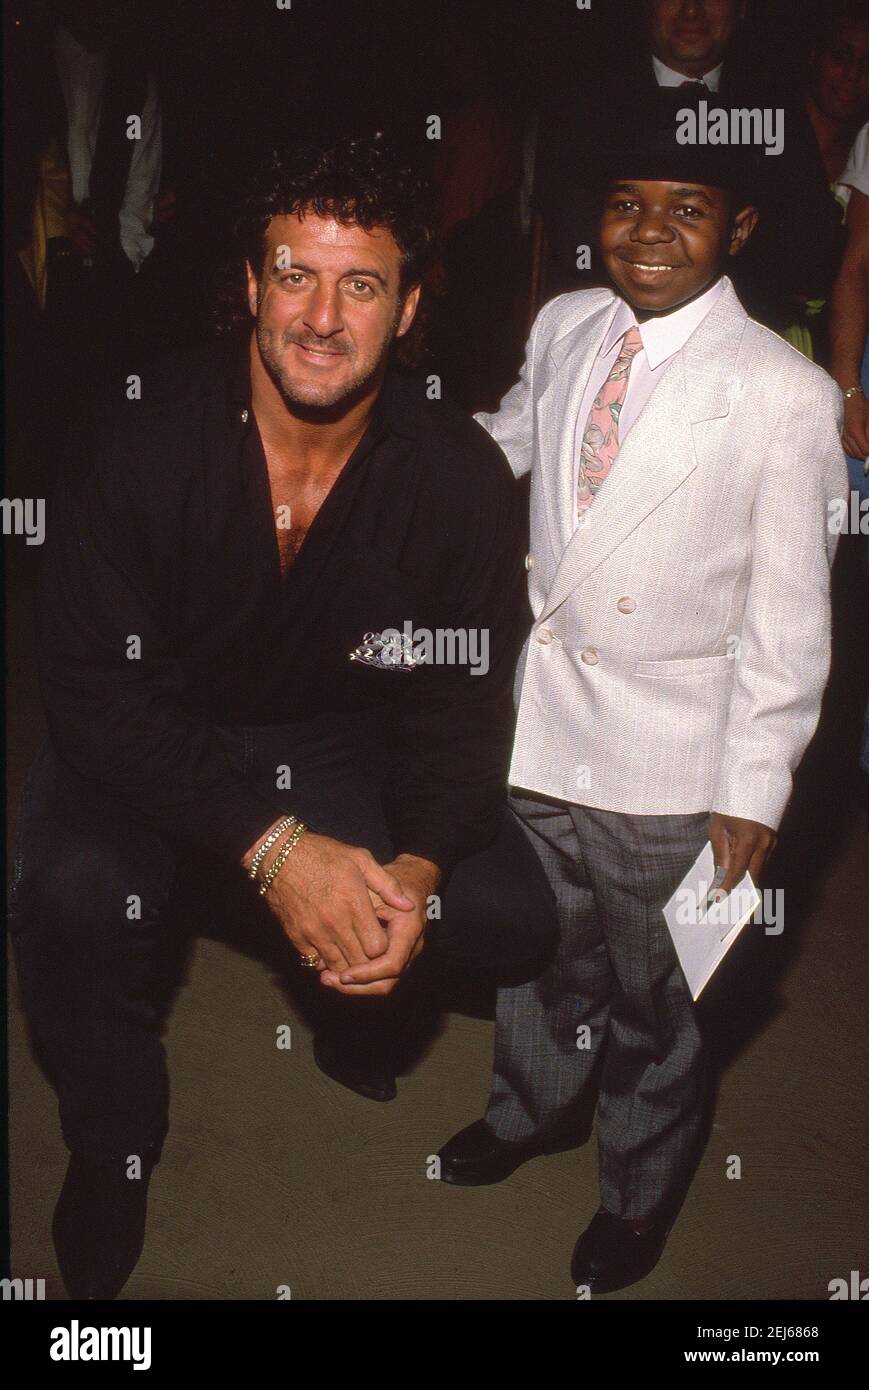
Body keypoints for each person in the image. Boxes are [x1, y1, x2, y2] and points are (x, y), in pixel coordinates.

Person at [8, 133, 558, 1300]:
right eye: (294, 274)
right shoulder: (133, 432)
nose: (321, 315)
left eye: (360, 282)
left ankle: (352, 1010)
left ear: (408, 306)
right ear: (249, 284)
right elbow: (94, 690)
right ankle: (112, 1140)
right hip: (151, 733)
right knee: (69, 894)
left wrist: (403, 873)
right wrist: (273, 851)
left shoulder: (456, 476)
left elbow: (462, 702)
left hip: (331, 740)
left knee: (507, 909)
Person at [437, 91, 849, 1294]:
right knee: (536, 954)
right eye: (625, 206)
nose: (648, 231)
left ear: (740, 227)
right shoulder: (569, 321)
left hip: (673, 766)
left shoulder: (784, 396)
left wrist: (754, 785)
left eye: (686, 209)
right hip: (542, 728)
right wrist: (383, 448)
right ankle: (527, 1110)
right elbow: (509, 444)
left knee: (653, 996)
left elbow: (789, 622)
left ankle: (634, 1189)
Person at [535, 0, 845, 335]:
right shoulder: (589, 94)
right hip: (610, 325)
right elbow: (574, 237)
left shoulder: (770, 100)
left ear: (741, 7)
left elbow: (812, 242)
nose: (692, 10)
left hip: (748, 327)